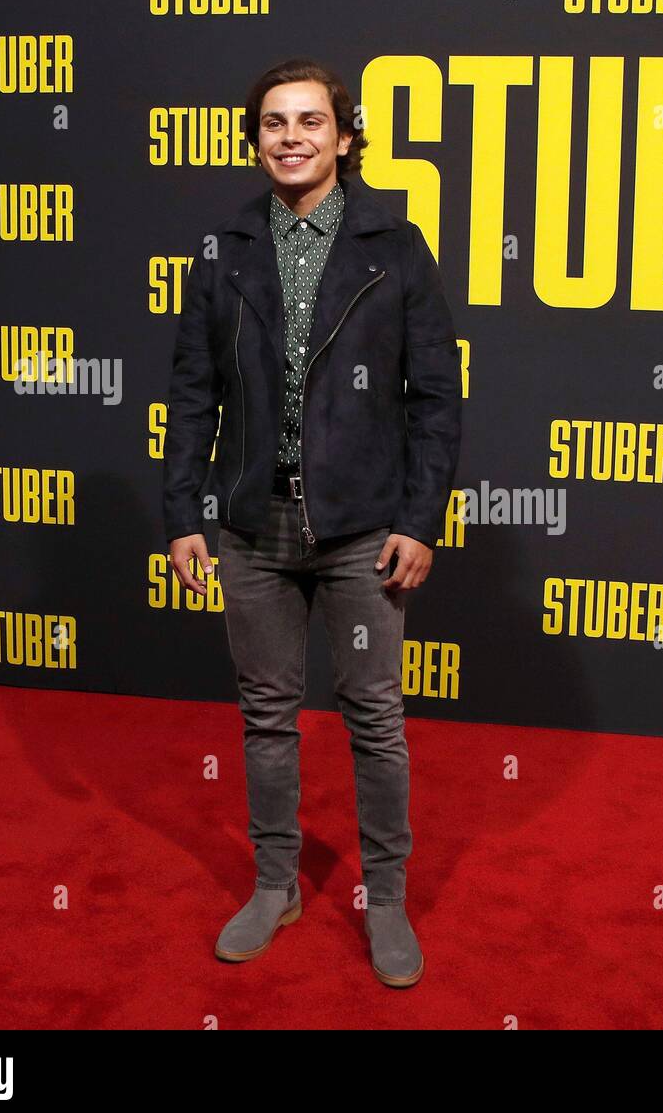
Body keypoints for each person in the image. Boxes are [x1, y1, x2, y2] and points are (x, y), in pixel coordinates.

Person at [161, 57, 462, 988]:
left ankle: (385, 898)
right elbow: (191, 393)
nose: (291, 137)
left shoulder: (397, 245)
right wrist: (185, 515)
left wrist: (419, 518)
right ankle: (275, 883)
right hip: (253, 527)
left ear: (342, 135)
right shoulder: (224, 251)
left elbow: (436, 400)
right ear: (256, 139)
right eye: (273, 124)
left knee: (374, 717)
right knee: (267, 716)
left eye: (310, 122)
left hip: (364, 526)